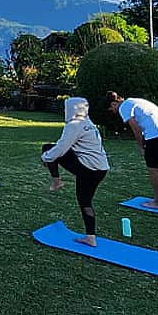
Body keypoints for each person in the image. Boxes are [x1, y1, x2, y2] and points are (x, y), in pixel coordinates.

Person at [41, 97, 110, 246]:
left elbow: (61, 148)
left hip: (88, 168)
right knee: (85, 201)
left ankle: (56, 181)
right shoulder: (88, 123)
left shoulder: (74, 125)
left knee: (48, 149)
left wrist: (46, 158)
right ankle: (90, 237)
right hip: (101, 168)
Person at [107, 91, 158, 209]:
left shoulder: (124, 106)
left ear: (114, 103)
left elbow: (135, 128)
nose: (113, 112)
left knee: (153, 169)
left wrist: (141, 146)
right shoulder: (134, 101)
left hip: (157, 135)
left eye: (111, 109)